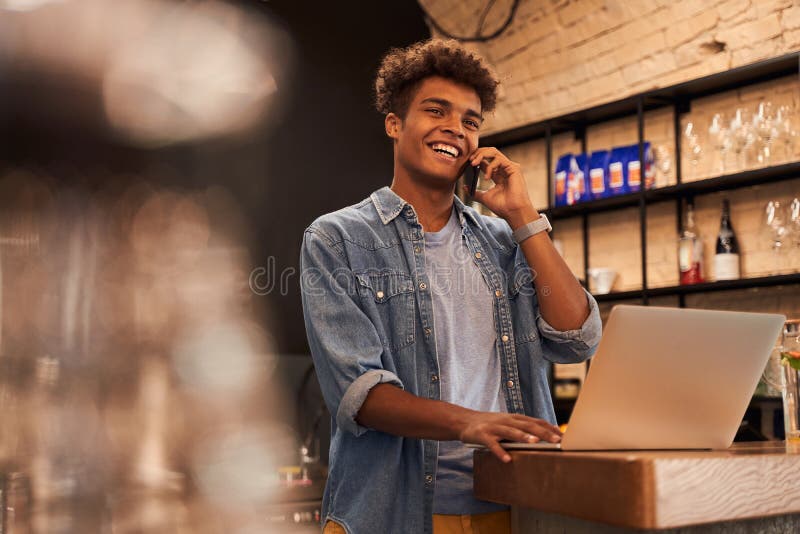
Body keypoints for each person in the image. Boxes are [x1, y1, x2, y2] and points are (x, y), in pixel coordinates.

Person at [300, 38, 601, 534]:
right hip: (392, 514)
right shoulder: (338, 239)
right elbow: (360, 394)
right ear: (394, 123)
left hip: (511, 507)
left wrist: (523, 216)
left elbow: (578, 339)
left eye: (470, 121)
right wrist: (468, 421)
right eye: (436, 111)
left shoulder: (505, 241)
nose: (456, 129)